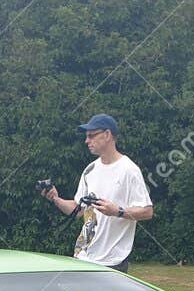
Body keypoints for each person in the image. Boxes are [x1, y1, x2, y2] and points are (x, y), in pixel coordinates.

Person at [42, 113, 153, 271]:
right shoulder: (90, 170)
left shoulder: (129, 170)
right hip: (84, 257)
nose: (87, 141)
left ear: (107, 135)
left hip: (113, 261)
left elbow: (147, 211)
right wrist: (55, 198)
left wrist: (118, 211)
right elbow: (78, 210)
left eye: (91, 136)